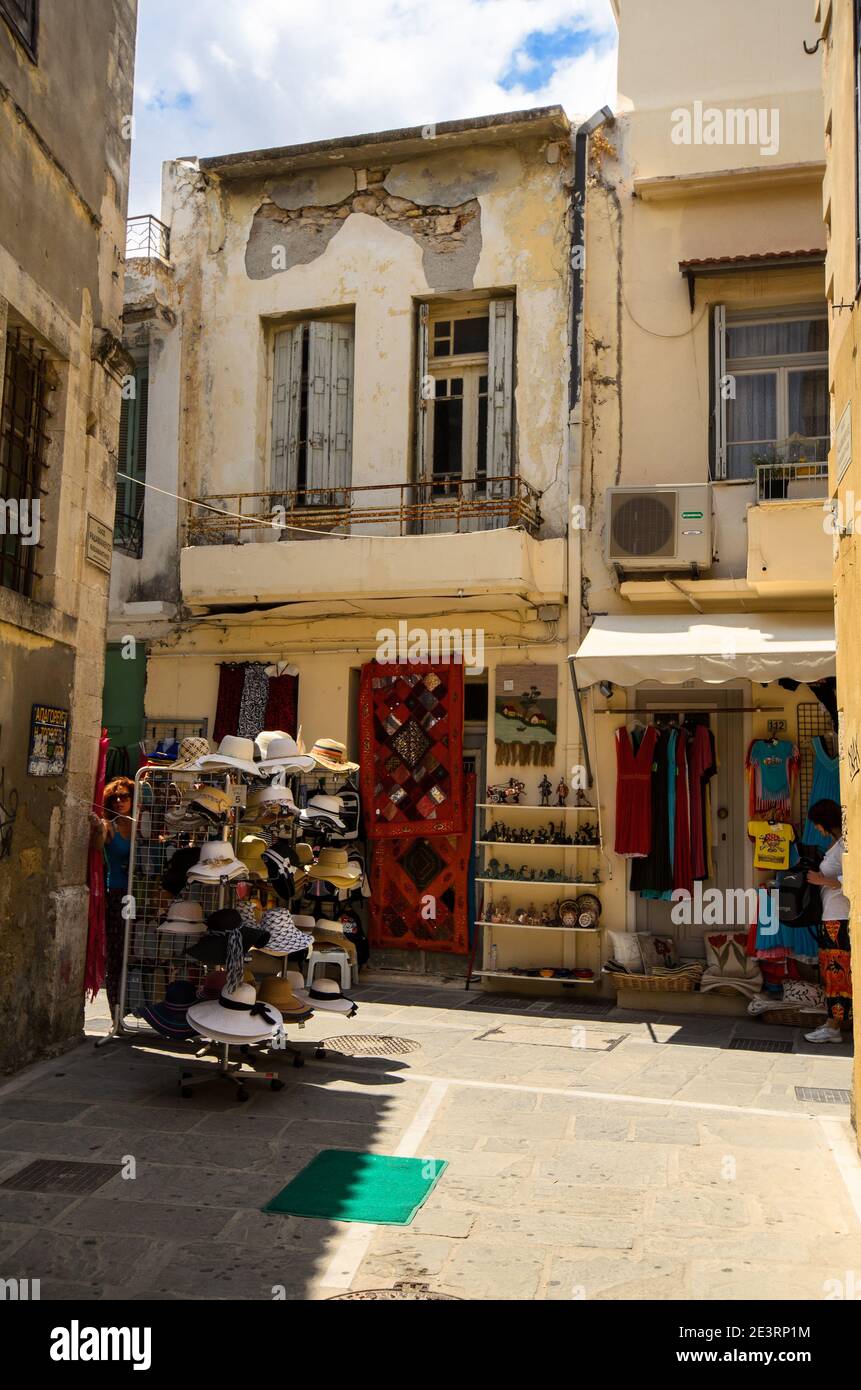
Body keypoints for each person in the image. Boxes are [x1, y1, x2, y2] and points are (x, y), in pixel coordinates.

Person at [804, 798, 851, 1044]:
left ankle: (834, 1027)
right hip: (830, 917)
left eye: (817, 824)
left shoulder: (845, 846)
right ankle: (832, 1022)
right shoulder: (836, 845)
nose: (817, 829)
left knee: (838, 974)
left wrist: (821, 881)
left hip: (839, 919)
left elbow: (853, 879)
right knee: (832, 973)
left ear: (824, 823)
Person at [89, 776, 134, 1014]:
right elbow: (98, 845)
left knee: (136, 949)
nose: (119, 801)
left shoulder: (142, 826)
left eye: (124, 796)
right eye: (114, 798)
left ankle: (135, 1003)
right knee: (116, 951)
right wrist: (98, 826)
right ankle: (116, 1008)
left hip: (139, 895)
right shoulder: (110, 826)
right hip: (117, 894)